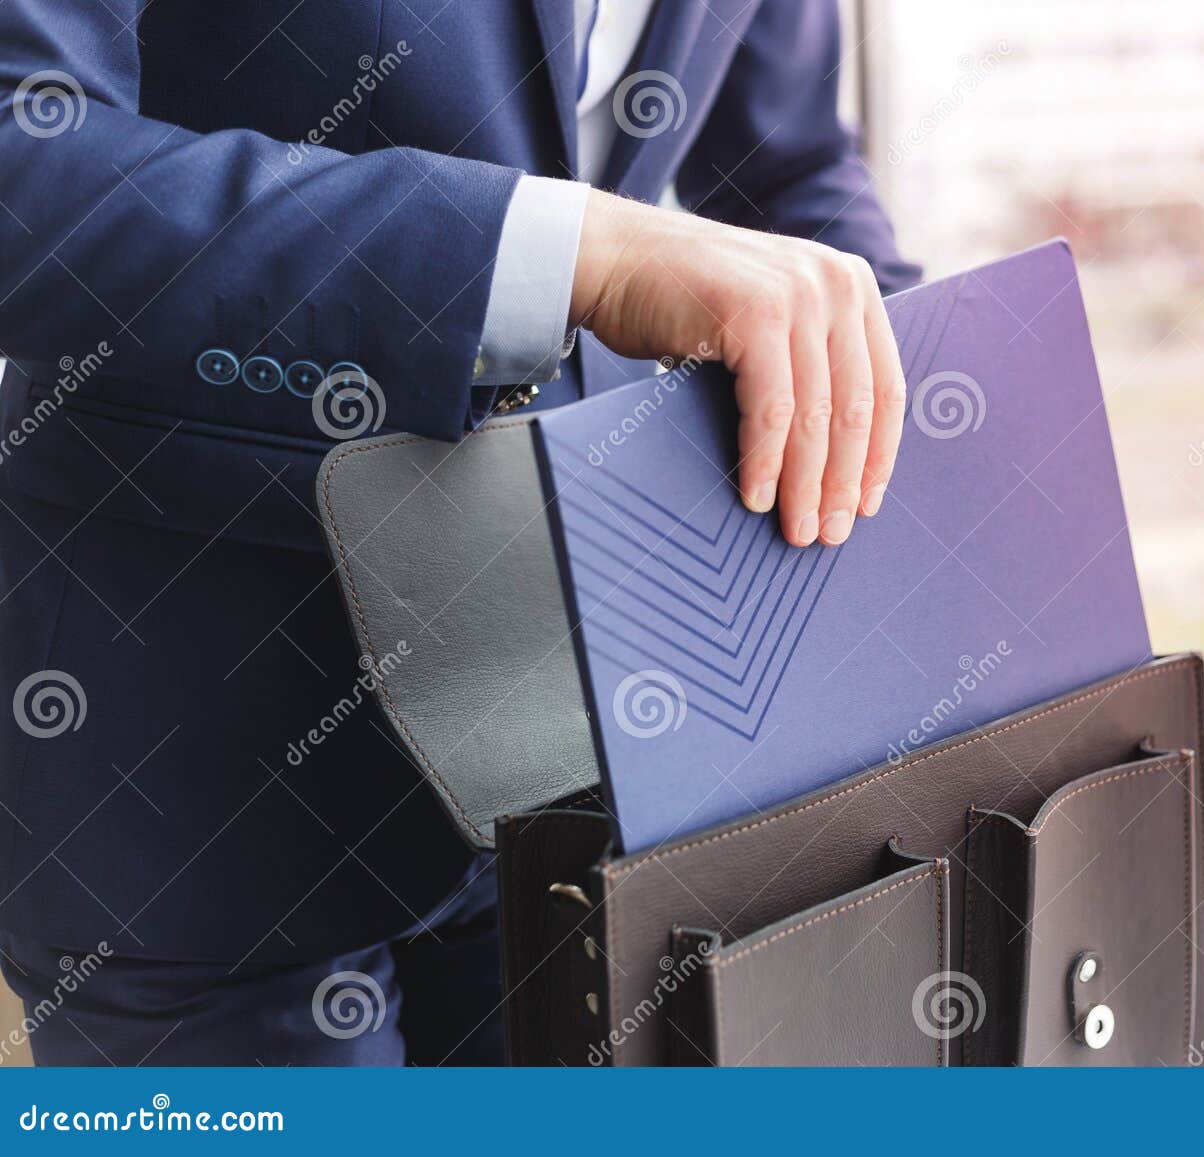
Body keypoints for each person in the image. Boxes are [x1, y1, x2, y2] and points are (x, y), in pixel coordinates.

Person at [0, 0, 917, 1065]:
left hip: (587, 730)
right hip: (192, 748)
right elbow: (23, 158)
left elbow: (790, 174)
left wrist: (921, 411)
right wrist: (570, 252)